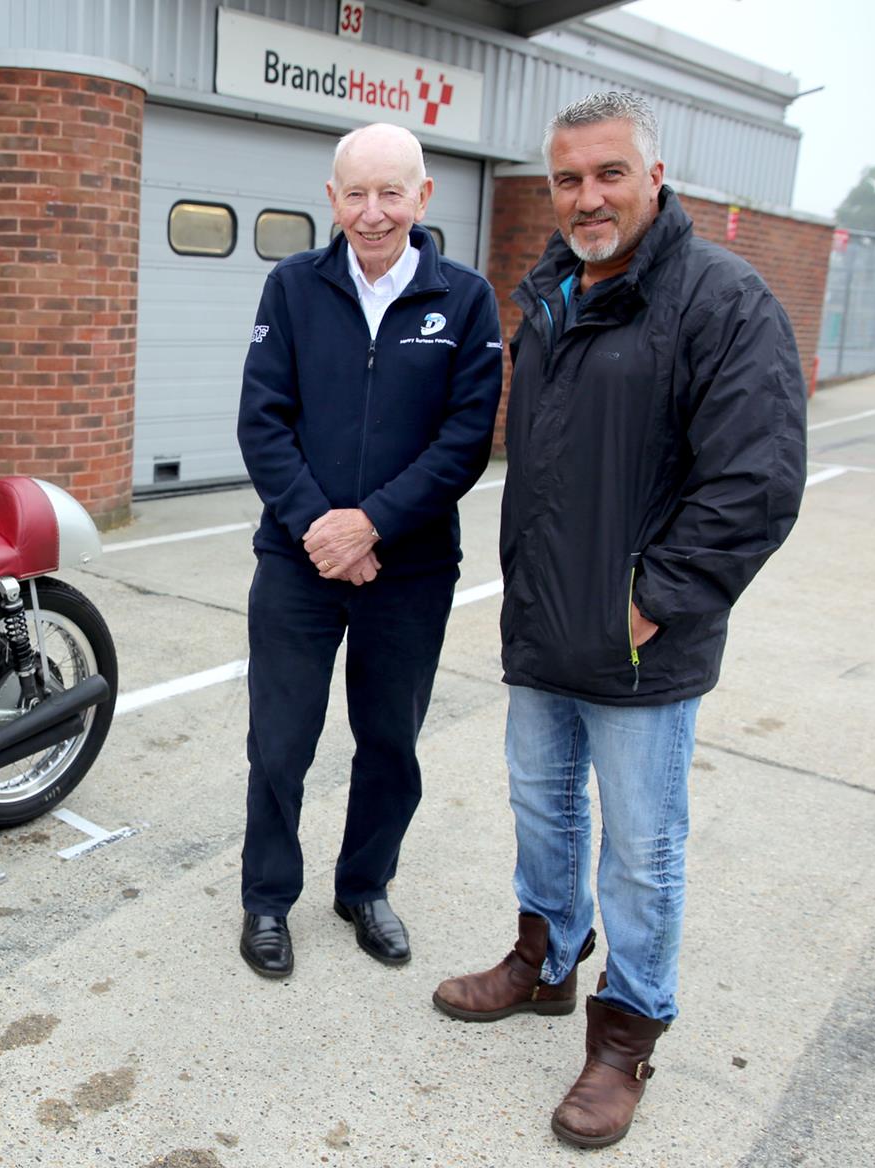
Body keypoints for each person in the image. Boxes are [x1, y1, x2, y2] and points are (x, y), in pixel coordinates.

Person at [430, 91, 807, 1148]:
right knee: (542, 809)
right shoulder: (549, 294)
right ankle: (545, 964)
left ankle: (624, 1036)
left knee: (643, 849)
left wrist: (650, 604)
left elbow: (755, 484)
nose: (586, 196)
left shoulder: (722, 300)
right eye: (567, 179)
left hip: (642, 644)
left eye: (607, 173)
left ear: (654, 175)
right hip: (544, 625)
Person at [236, 123, 504, 979]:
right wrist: (322, 527)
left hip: (409, 567)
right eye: (355, 193)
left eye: (391, 193)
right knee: (279, 742)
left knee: (388, 742)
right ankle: (267, 900)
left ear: (423, 198)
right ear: (331, 199)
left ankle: (365, 887)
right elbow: (262, 420)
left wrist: (373, 524)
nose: (373, 212)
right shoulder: (292, 287)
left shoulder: (465, 300)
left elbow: (464, 440)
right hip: (296, 559)